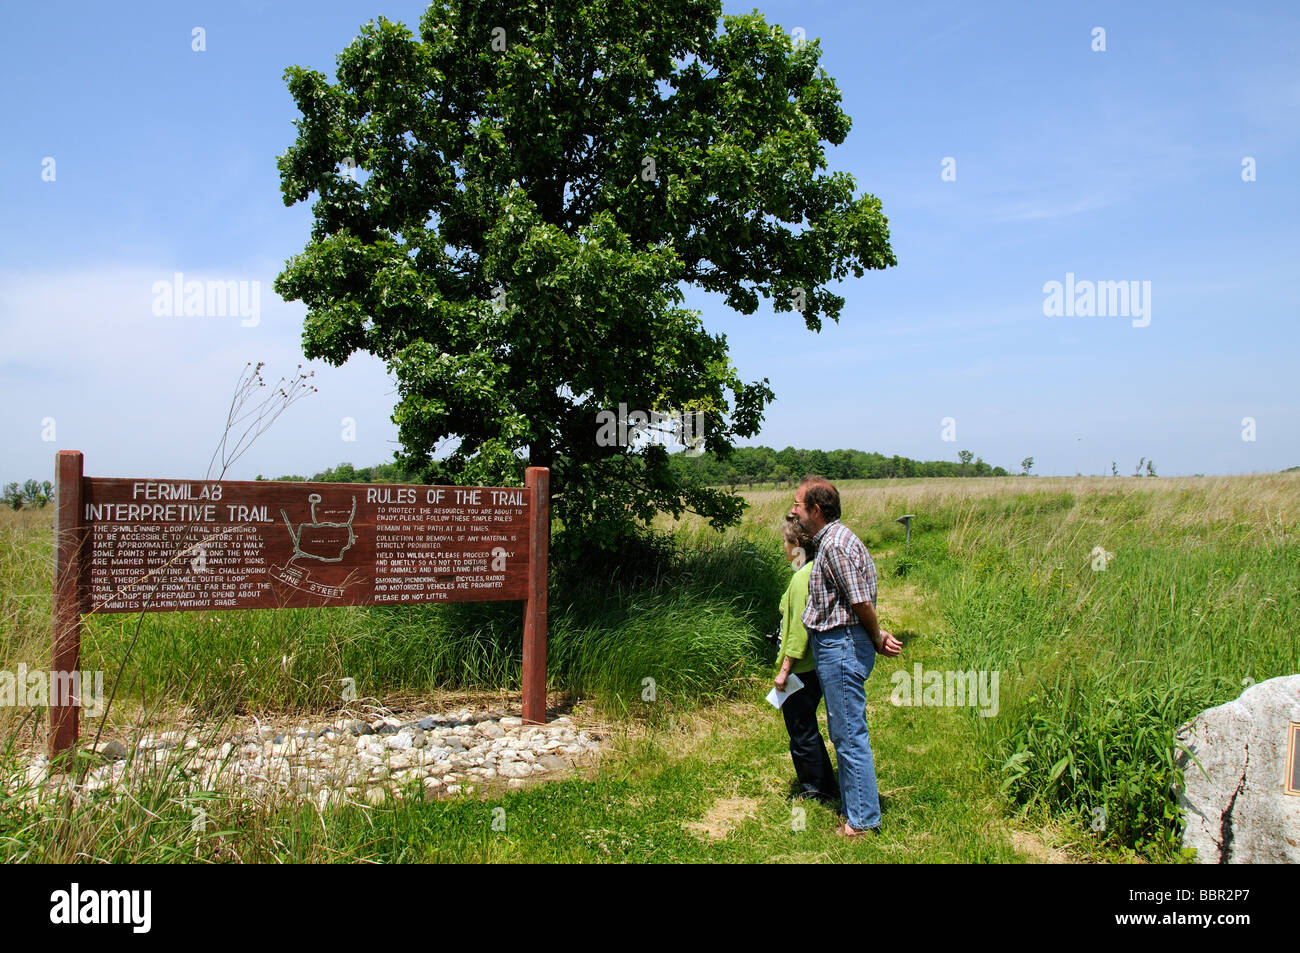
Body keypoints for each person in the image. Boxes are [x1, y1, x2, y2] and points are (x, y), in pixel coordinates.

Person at [790, 475, 903, 837]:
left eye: (798, 504)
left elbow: (859, 601)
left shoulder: (835, 545)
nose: (793, 511)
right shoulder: (833, 539)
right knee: (846, 730)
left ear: (816, 510)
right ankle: (857, 808)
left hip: (840, 646)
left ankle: (863, 820)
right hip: (838, 644)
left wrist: (875, 636)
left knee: (849, 733)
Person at [773, 515, 839, 804]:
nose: (784, 549)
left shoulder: (802, 577)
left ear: (797, 544)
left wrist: (785, 669)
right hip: (815, 662)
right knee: (806, 727)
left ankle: (816, 790)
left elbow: (799, 628)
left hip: (801, 666)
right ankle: (824, 783)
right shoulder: (815, 569)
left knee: (801, 731)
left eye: (786, 543)